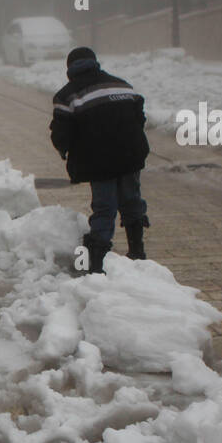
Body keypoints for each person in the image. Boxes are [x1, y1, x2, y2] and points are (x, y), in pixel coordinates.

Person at [49, 47, 151, 273]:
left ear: (70, 69)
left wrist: (65, 150)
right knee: (131, 199)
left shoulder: (68, 95)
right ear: (94, 62)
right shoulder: (121, 84)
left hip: (99, 160)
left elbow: (61, 133)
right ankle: (137, 252)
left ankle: (96, 264)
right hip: (130, 153)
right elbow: (139, 117)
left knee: (105, 208)